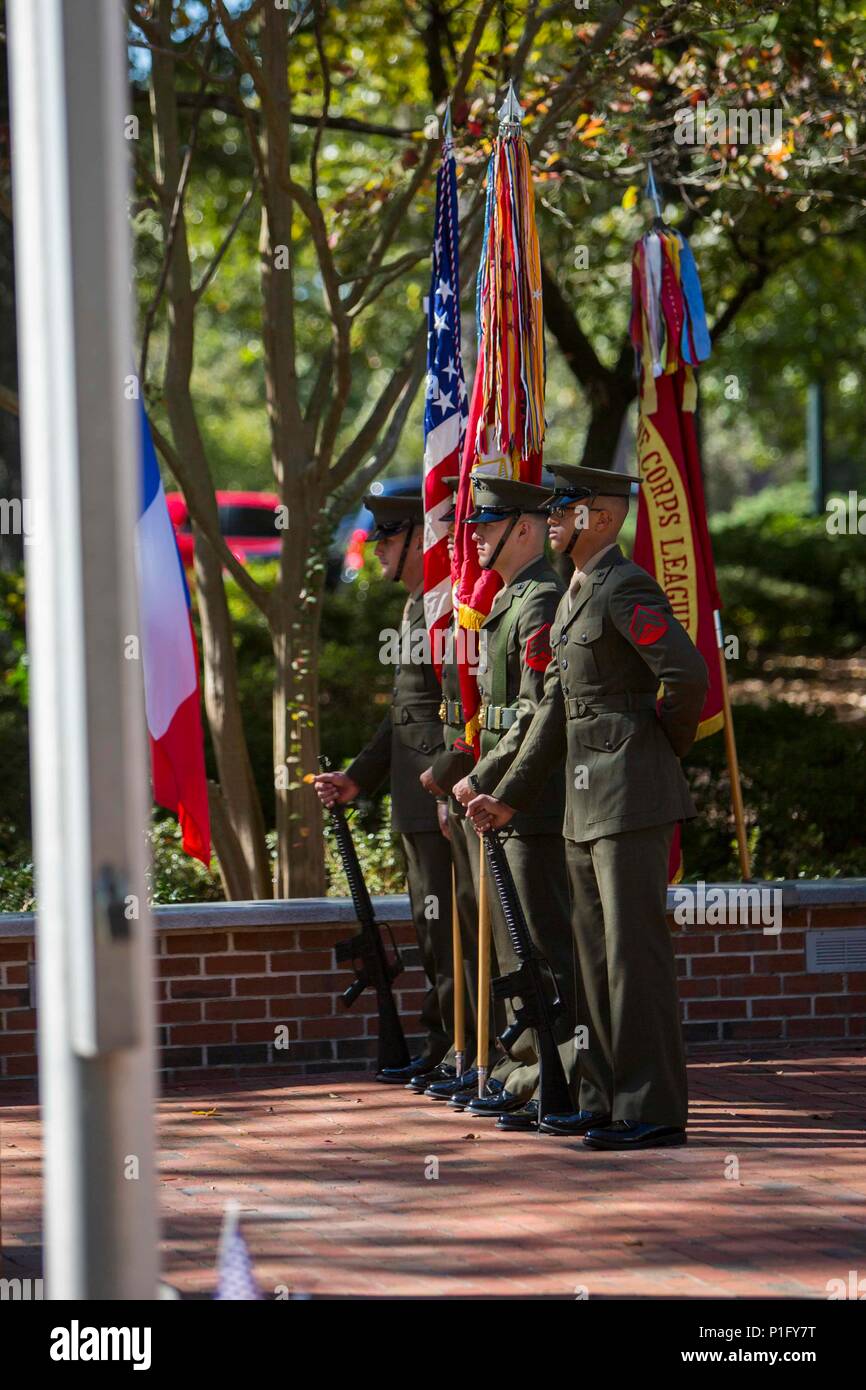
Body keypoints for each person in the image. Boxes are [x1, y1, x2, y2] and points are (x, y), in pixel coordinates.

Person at [467, 464, 708, 1149]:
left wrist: (657, 743)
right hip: (584, 801)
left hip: (631, 793)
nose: (551, 519)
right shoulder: (575, 593)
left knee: (634, 956)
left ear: (600, 518)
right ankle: (602, 1097)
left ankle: (653, 1108)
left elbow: (686, 675)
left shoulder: (624, 585)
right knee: (597, 959)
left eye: (564, 507)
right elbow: (552, 713)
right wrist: (506, 796)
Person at [449, 474, 580, 1132]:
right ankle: (529, 1068)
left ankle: (565, 1074)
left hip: (533, 801)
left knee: (545, 946)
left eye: (486, 524)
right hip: (507, 799)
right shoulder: (511, 599)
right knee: (513, 947)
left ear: (524, 529)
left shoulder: (539, 601)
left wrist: (492, 780)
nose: (472, 536)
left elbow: (539, 712)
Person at [314, 492, 454, 1084]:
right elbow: (405, 712)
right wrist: (359, 777)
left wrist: (452, 786)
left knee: (452, 929)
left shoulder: (445, 607)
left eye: (388, 543)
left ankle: (464, 1049)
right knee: (435, 928)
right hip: (418, 797)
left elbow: (460, 709)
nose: (375, 555)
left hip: (442, 795)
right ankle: (446, 1040)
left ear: (420, 539)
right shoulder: (416, 607)